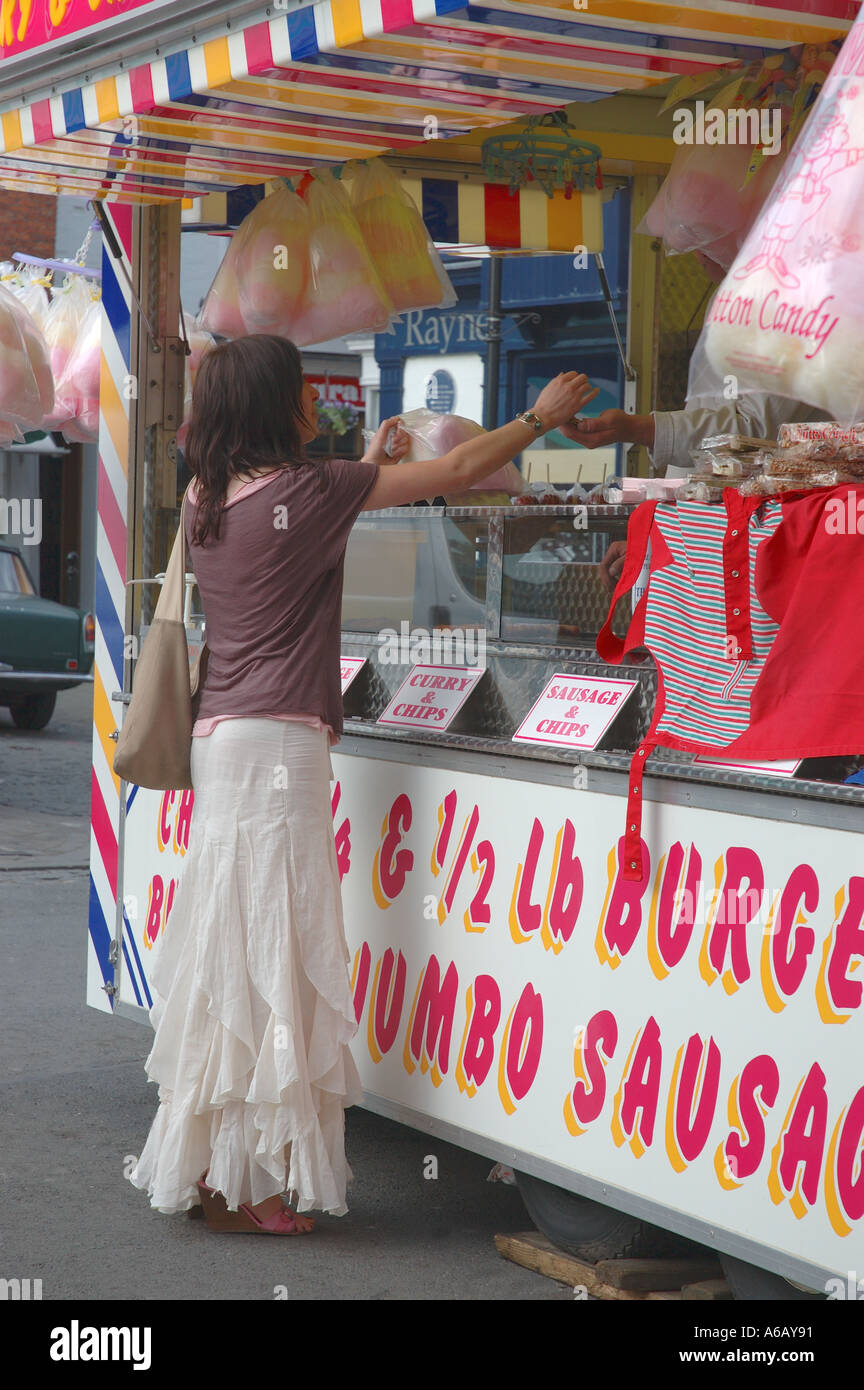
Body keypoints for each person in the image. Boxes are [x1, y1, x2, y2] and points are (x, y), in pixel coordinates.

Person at [127, 334, 595, 1236]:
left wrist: (361, 465)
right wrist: (540, 419)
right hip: (281, 751)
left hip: (219, 742)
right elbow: (457, 464)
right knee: (279, 960)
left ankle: (221, 1170)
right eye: (303, 392)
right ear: (280, 406)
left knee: (233, 957)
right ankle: (259, 1184)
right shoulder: (315, 491)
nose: (318, 406)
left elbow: (297, 513)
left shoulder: (204, 499)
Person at [564, 252, 832, 591]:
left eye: (705, 239)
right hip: (719, 544)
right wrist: (656, 528)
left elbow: (750, 434)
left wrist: (638, 429)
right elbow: (701, 448)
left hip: (787, 540)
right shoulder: (728, 305)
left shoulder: (800, 303)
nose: (695, 254)